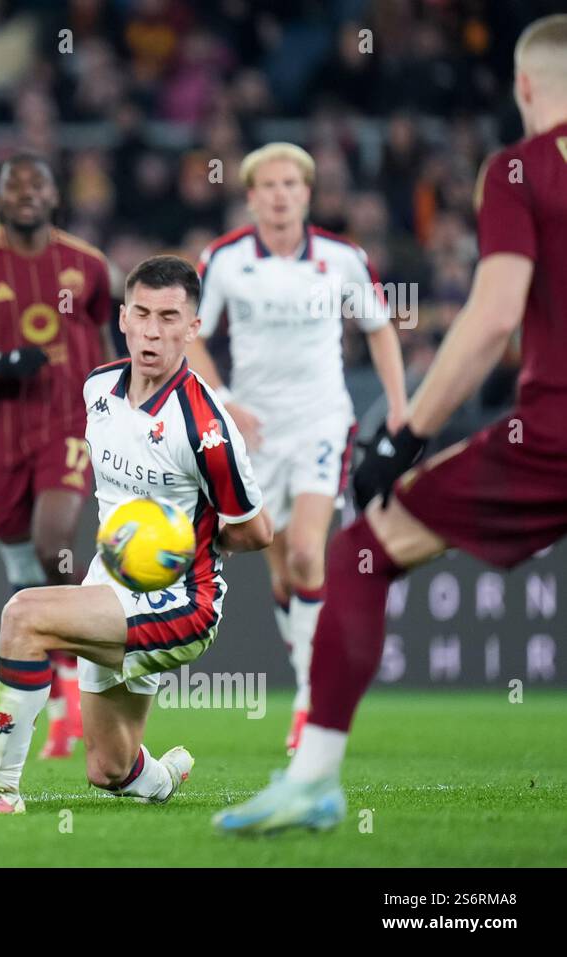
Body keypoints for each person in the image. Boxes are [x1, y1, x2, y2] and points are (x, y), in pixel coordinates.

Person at [214, 14, 567, 834]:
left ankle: (312, 777)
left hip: (552, 438)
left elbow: (490, 319)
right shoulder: (233, 261)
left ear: (521, 87)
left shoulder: (520, 172)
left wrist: (405, 434)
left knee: (358, 551)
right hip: (276, 424)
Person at [0, 255, 271, 815]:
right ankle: (164, 776)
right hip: (110, 583)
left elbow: (256, 531)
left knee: (24, 615)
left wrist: (174, 549)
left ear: (192, 329)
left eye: (170, 318)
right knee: (110, 769)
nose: (152, 330)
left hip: (181, 601)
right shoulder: (98, 388)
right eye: (141, 313)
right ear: (122, 318)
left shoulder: (206, 427)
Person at [186, 142, 407, 754]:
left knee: (310, 553)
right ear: (251, 196)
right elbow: (192, 334)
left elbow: (380, 329)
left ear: (307, 193)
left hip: (321, 421)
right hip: (255, 431)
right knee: (281, 569)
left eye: (292, 184)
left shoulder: (340, 258)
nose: (281, 195)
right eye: (269, 186)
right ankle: (309, 677)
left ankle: (311, 701)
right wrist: (224, 398)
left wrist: (399, 406)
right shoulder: (225, 259)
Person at [0, 153, 114, 758]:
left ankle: (81, 680)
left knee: (52, 540)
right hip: (1, 434)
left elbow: (110, 348)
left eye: (39, 183)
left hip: (70, 422)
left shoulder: (88, 266)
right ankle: (62, 688)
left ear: (55, 194)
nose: (28, 193)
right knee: (21, 569)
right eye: (16, 186)